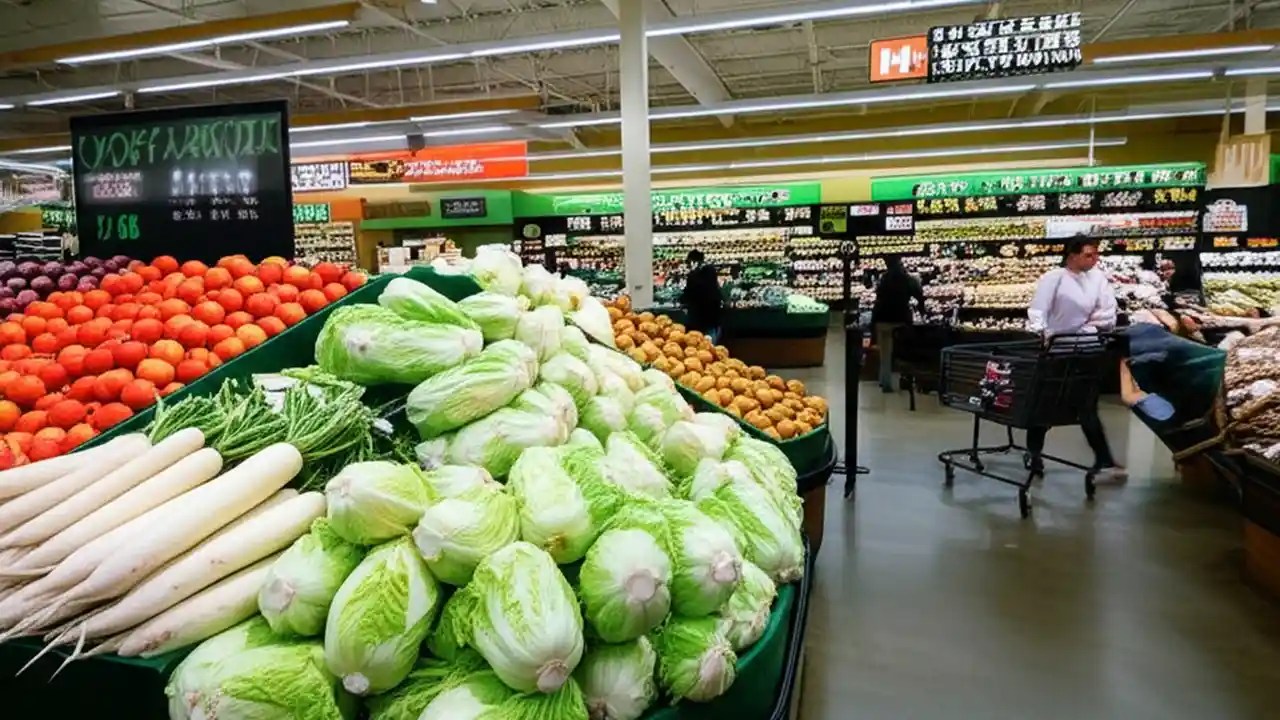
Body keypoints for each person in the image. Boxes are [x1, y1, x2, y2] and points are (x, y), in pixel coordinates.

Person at [1024, 235, 1125, 479]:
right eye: (1088, 254)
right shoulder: (1054, 279)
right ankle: (1033, 453)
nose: (1095, 259)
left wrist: (1086, 328)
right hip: (1057, 352)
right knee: (1044, 406)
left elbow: (1107, 314)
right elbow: (1039, 311)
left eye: (1096, 254)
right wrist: (1044, 334)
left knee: (1087, 407)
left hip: (1088, 351)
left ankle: (1104, 459)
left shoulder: (1098, 279)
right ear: (1072, 255)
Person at [871, 255, 925, 392]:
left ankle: (885, 382)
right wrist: (922, 311)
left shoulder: (884, 279)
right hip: (900, 320)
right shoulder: (907, 279)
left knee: (885, 353)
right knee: (905, 352)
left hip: (882, 319)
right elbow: (919, 295)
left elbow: (878, 300)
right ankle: (905, 379)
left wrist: (873, 323)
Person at [681, 249, 723, 343]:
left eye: (688, 262)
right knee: (709, 346)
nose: (688, 265)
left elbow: (689, 294)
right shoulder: (710, 272)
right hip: (712, 316)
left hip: (700, 318)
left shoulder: (694, 276)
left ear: (693, 262)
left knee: (702, 346)